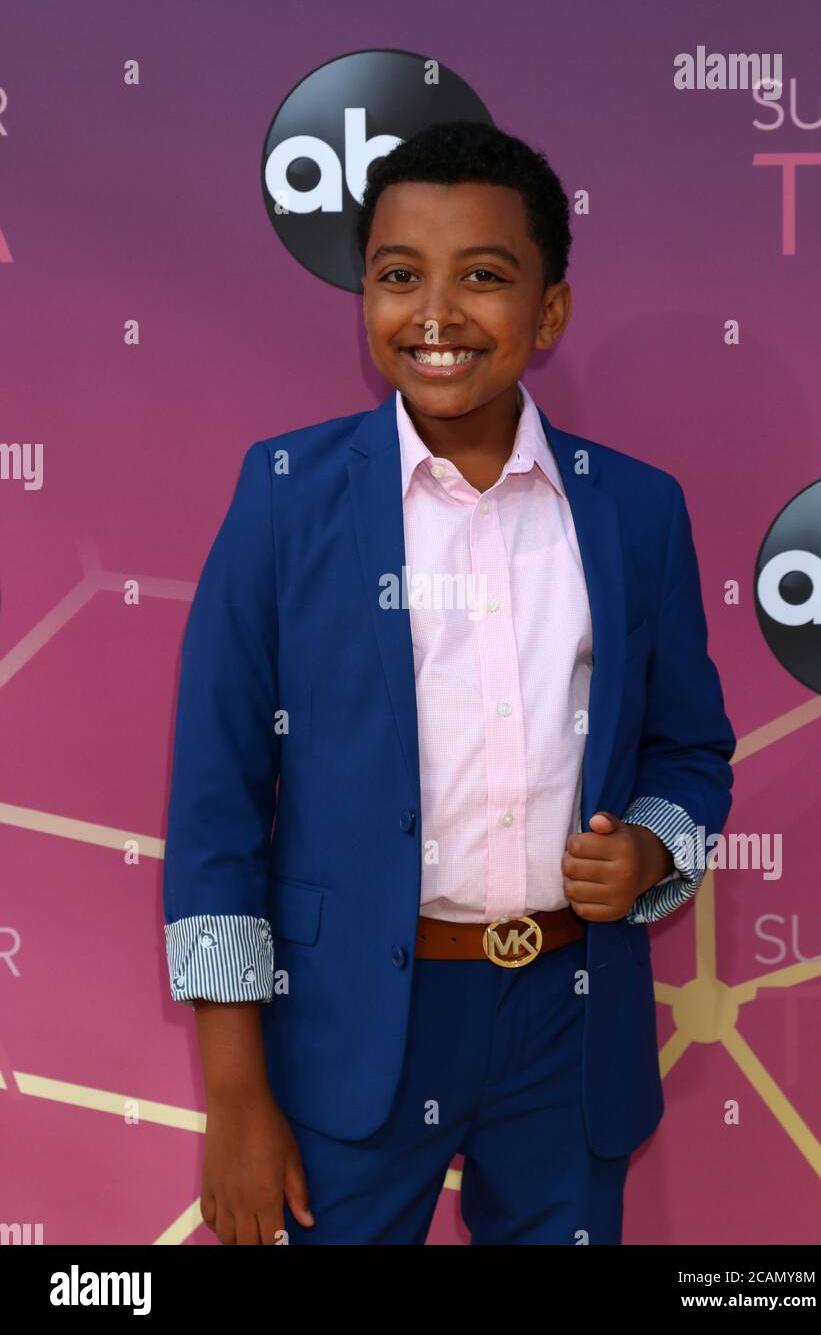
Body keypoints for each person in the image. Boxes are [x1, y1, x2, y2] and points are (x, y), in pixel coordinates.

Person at [162, 120, 736, 1246]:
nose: (435, 311)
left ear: (549, 310)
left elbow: (688, 748)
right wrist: (235, 1095)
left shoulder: (633, 509)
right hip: (354, 1029)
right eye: (396, 276)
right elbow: (216, 805)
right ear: (364, 299)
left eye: (482, 276)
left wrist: (653, 850)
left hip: (566, 1028)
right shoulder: (286, 498)